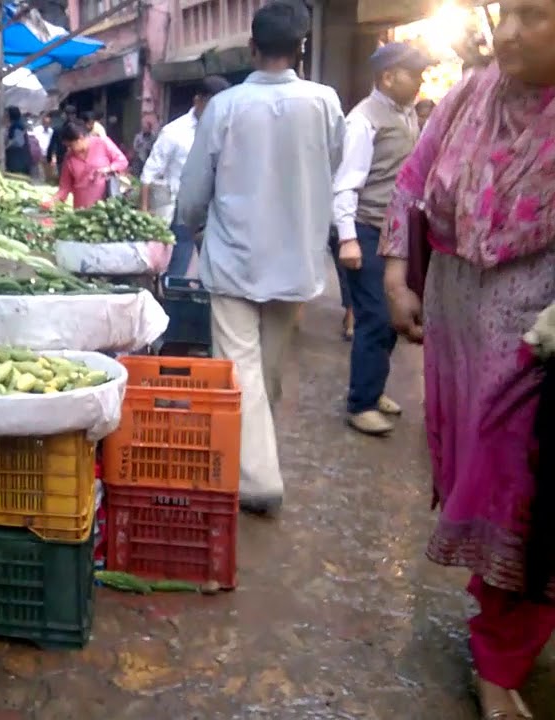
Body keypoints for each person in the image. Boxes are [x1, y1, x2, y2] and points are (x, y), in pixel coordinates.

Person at [380, 0, 555, 713]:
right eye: (507, 11)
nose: (510, 31)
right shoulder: (471, 93)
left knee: (525, 494)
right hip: (459, 322)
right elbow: (413, 182)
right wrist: (396, 275)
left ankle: (499, 662)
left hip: (536, 333)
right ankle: (499, 646)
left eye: (536, 16)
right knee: (483, 482)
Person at [175, 0, 345, 515]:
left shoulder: (226, 107)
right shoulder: (324, 102)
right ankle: (252, 458)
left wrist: (191, 222)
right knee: (266, 369)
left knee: (240, 369)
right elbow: (330, 164)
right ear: (301, 49)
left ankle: (256, 477)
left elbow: (194, 189)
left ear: (251, 48)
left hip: (234, 258)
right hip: (295, 257)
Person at [332, 42, 432, 436]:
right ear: (388, 77)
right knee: (373, 318)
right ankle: (360, 403)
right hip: (368, 228)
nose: (421, 81)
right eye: (414, 73)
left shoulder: (406, 113)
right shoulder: (364, 120)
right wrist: (347, 238)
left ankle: (373, 390)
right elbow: (346, 184)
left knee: (391, 318)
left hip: (397, 232)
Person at [140, 75, 232, 278]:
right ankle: (173, 302)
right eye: (212, 104)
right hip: (183, 210)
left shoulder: (228, 130)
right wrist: (145, 212)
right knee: (179, 266)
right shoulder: (174, 132)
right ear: (197, 100)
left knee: (216, 269)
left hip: (218, 209)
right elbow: (149, 174)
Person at [50, 120, 129, 210]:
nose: (69, 149)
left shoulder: (102, 143)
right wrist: (53, 200)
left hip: (106, 205)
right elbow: (64, 187)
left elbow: (122, 161)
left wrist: (108, 169)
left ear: (80, 138)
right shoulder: (69, 157)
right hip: (81, 207)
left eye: (71, 145)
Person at [45, 105, 79, 173]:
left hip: (63, 160)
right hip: (77, 160)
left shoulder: (58, 129)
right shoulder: (80, 128)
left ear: (64, 115)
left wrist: (49, 158)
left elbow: (51, 145)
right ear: (75, 115)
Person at [3, 106, 33, 175]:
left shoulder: (17, 126)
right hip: (20, 158)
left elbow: (19, 142)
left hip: (17, 158)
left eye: (6, 115)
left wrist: (7, 146)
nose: (5, 117)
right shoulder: (17, 125)